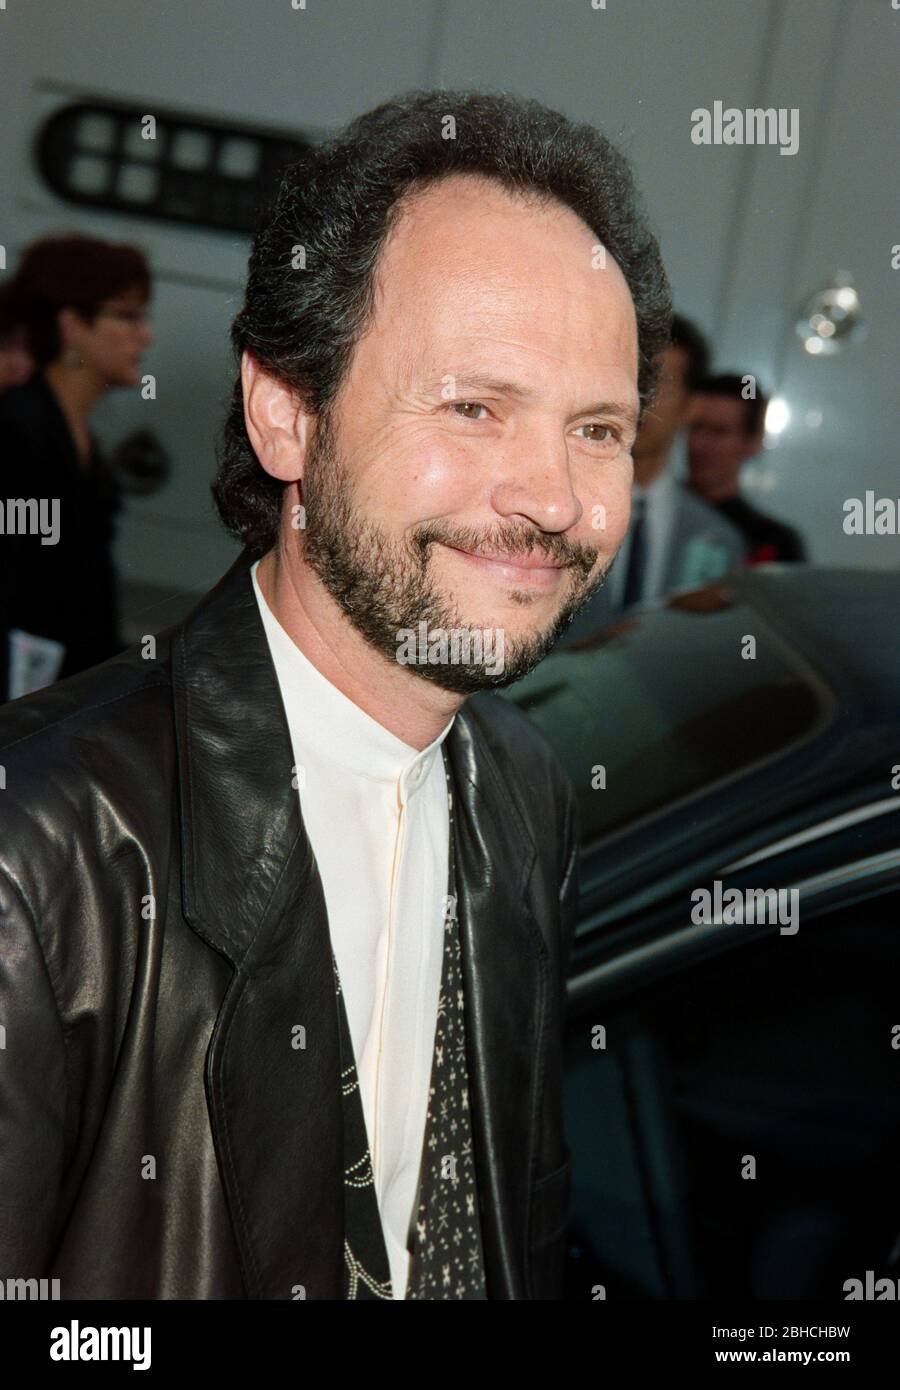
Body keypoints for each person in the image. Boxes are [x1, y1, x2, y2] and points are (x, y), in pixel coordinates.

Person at [0, 90, 671, 1300]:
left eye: (599, 429)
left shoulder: (523, 795)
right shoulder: (40, 851)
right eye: (475, 407)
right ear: (287, 414)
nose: (555, 496)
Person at [0, 233, 154, 700]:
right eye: (126, 316)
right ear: (70, 325)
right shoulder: (18, 433)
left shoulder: (80, 445)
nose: (144, 335)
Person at [559, 314, 747, 645]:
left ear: (692, 406)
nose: (640, 400)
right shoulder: (554, 508)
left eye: (661, 385)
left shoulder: (717, 540)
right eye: (631, 378)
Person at [687, 373, 807, 562]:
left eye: (719, 432)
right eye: (695, 428)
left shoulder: (773, 542)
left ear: (752, 443)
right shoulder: (651, 517)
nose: (699, 444)